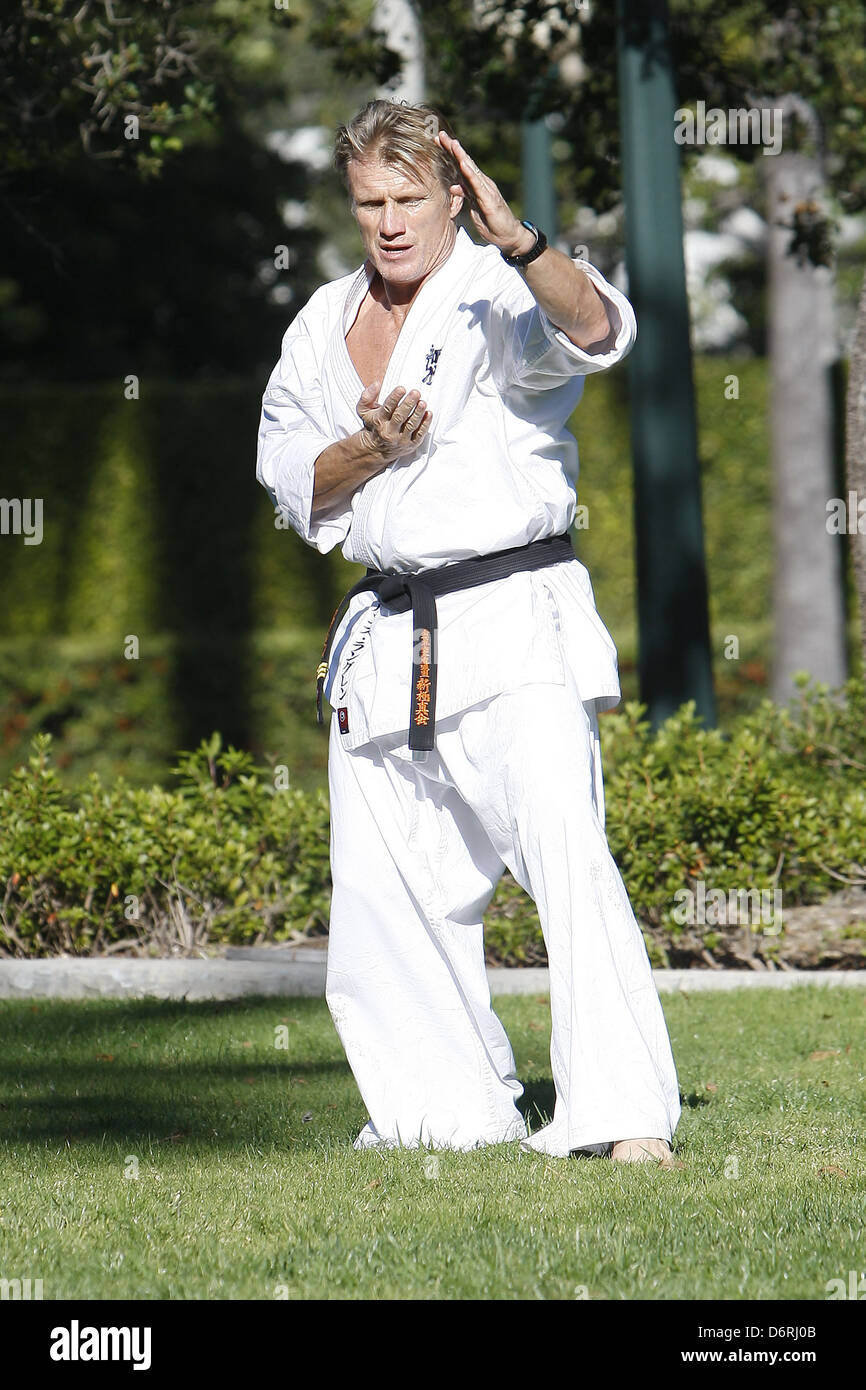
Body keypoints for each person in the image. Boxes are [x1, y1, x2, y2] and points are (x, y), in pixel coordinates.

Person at [256, 99, 681, 1166]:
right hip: (387, 628)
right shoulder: (319, 323)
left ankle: (621, 1114)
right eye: (370, 203)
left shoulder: (498, 292)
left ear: (451, 196)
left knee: (565, 856)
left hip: (513, 613)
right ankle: (436, 1110)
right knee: (388, 890)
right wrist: (368, 450)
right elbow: (292, 484)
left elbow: (596, 334)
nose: (391, 222)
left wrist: (524, 241)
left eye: (409, 199)